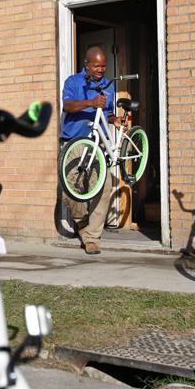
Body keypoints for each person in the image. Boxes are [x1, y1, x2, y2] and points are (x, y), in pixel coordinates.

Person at [60, 46, 118, 255]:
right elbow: (67, 106)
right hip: (73, 143)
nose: (101, 70)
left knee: (104, 187)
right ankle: (82, 222)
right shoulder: (73, 82)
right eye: (96, 66)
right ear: (86, 64)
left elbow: (108, 113)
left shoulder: (107, 86)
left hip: (97, 143)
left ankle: (92, 237)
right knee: (71, 190)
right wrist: (90, 103)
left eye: (104, 66)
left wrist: (115, 119)